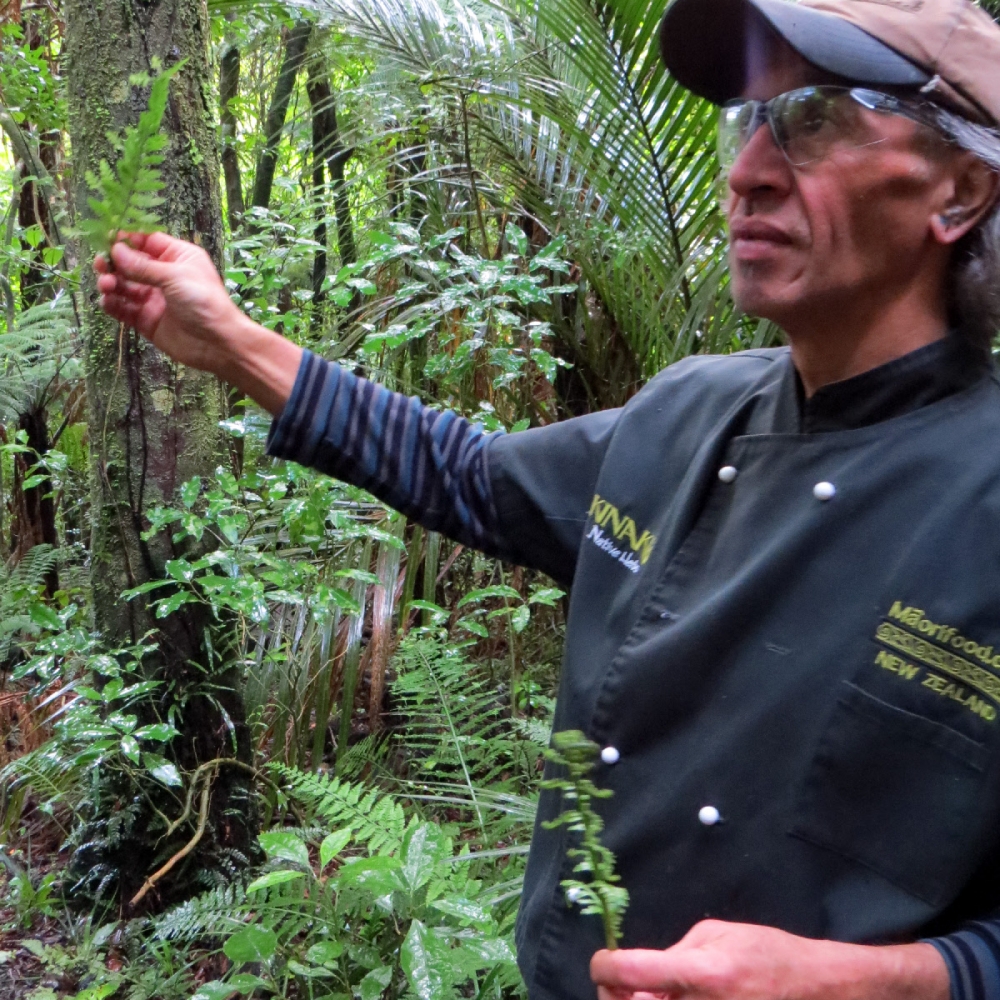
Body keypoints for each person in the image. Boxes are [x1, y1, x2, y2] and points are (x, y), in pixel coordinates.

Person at [95, 0, 1000, 995]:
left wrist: (868, 981)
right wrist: (229, 340)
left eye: (813, 118)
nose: (746, 171)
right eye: (747, 120)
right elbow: (470, 476)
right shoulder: (685, 410)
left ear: (958, 191)